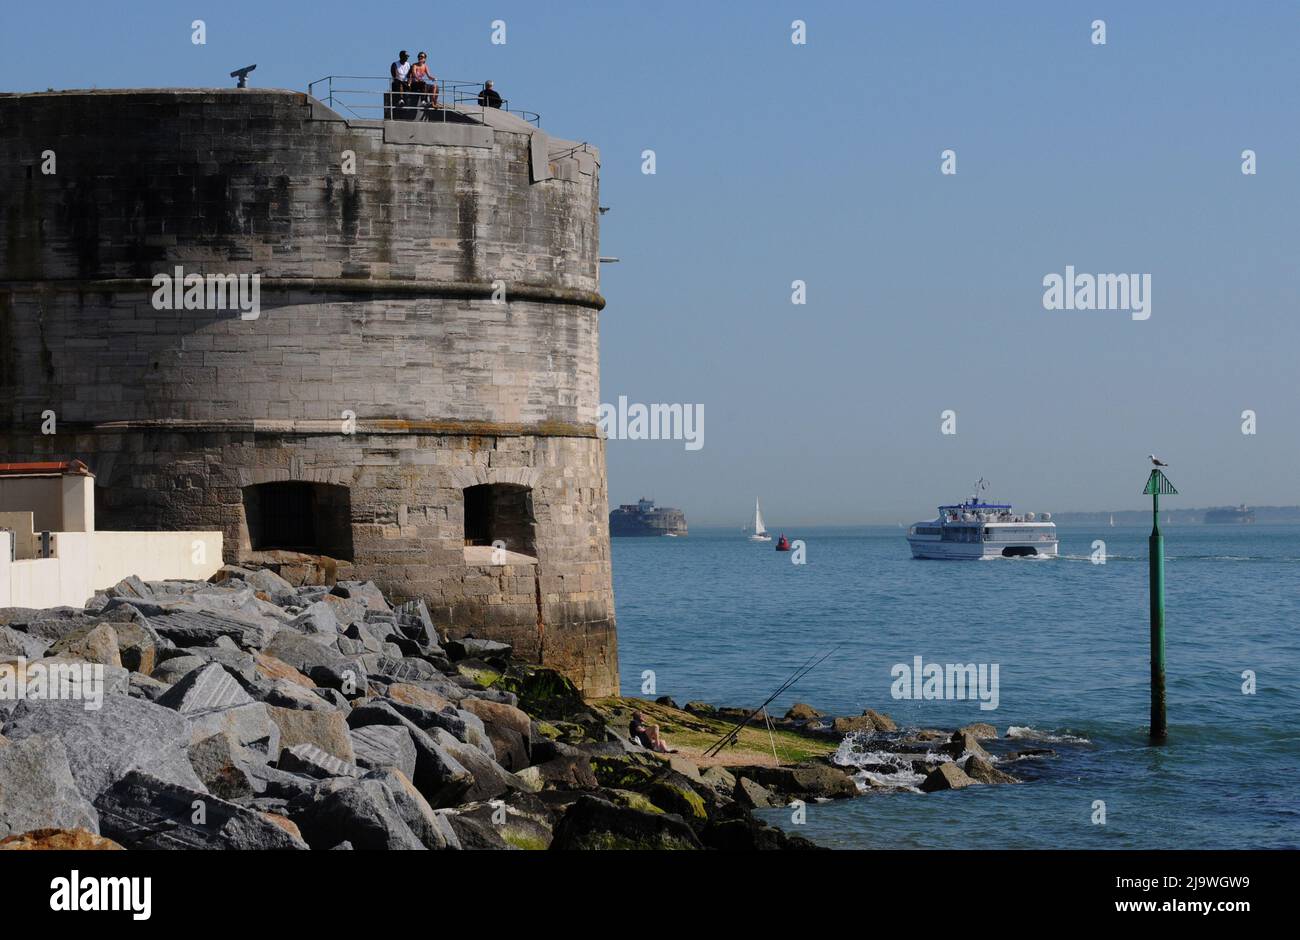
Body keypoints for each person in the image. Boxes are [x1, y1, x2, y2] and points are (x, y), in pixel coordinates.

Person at [409, 52, 438, 117]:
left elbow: (429, 76)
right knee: (423, 83)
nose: (420, 58)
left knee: (435, 86)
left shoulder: (425, 66)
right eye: (419, 56)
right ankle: (423, 101)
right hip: (415, 84)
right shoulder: (415, 65)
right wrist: (418, 79)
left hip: (421, 83)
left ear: (425, 59)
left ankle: (432, 102)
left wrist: (433, 78)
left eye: (422, 57)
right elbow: (414, 74)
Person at [388, 50, 411, 120]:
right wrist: (397, 79)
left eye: (407, 56)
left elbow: (410, 75)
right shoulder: (395, 64)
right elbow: (393, 75)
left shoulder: (408, 64)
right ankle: (400, 99)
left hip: (406, 82)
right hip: (397, 82)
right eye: (405, 56)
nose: (407, 58)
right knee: (399, 83)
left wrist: (409, 82)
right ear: (401, 56)